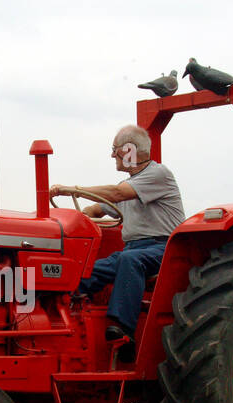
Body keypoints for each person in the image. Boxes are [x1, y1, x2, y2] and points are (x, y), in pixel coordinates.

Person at [51, 124, 185, 346]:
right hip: (133, 250)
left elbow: (116, 193)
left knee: (128, 260)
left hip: (164, 249)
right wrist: (75, 217)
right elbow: (98, 209)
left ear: (130, 150)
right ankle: (62, 312)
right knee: (80, 272)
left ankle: (123, 331)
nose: (113, 154)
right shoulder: (130, 187)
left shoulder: (158, 175)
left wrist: (71, 189)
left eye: (116, 149)